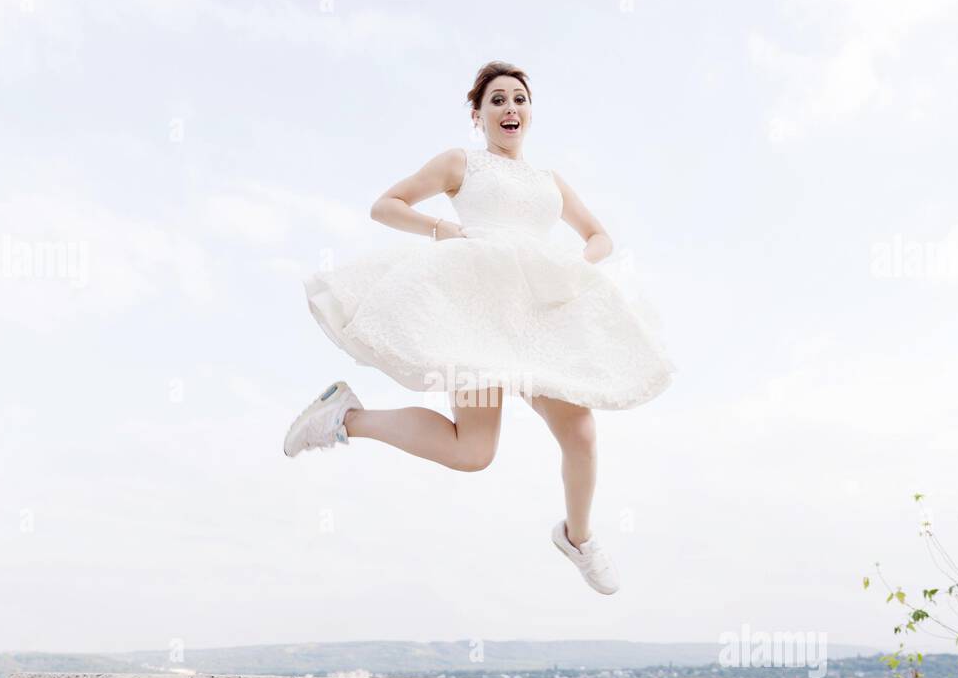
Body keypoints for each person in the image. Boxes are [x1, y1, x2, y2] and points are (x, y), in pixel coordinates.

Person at [285, 60, 677, 594]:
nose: (509, 107)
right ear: (478, 114)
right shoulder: (461, 163)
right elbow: (386, 206)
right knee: (474, 453)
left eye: (519, 98)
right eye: (497, 100)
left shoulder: (550, 181)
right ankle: (345, 418)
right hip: (479, 311)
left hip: (539, 312)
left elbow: (599, 236)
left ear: (530, 113)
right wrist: (444, 230)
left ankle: (577, 537)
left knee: (581, 433)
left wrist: (577, 266)